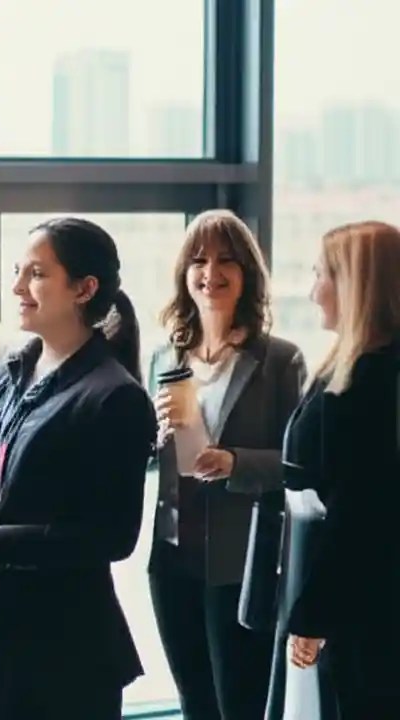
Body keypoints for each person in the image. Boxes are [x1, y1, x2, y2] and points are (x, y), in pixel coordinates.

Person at [0, 217, 157, 719]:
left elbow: (112, 536)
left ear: (84, 289)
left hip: (61, 645)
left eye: (36, 274)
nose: (16, 287)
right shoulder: (11, 369)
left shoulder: (114, 396)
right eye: (18, 271)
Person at [146, 209, 305, 719]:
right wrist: (154, 438)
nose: (210, 272)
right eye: (199, 260)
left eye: (225, 261)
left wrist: (235, 462)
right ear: (184, 273)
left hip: (241, 562)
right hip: (173, 557)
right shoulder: (165, 358)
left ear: (247, 275)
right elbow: (153, 458)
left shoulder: (279, 360)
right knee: (194, 703)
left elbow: (300, 465)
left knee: (240, 705)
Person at [270, 221, 400, 718]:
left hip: (367, 604)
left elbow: (361, 509)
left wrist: (314, 613)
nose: (313, 291)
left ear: (355, 285)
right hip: (356, 591)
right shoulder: (352, 366)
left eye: (321, 275)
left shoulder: (371, 379)